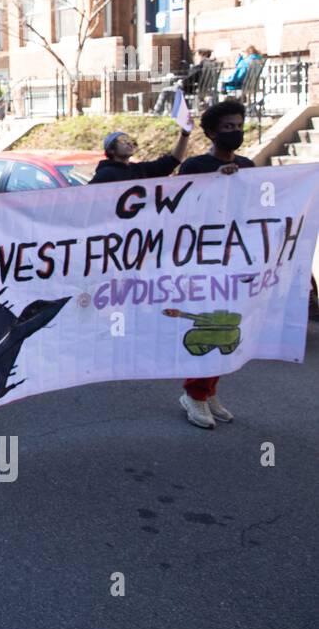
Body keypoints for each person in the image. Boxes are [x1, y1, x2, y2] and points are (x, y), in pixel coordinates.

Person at [173, 99, 252, 430]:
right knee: (210, 325)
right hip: (203, 260)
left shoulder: (248, 165)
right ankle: (195, 393)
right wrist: (218, 181)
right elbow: (181, 207)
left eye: (238, 126)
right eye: (227, 127)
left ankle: (208, 390)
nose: (234, 132)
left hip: (236, 258)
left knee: (231, 325)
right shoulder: (195, 167)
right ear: (211, 133)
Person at [89, 126, 190, 184]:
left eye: (130, 140)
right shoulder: (106, 174)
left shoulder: (139, 169)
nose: (129, 143)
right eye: (123, 141)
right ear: (111, 150)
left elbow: (173, 160)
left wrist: (185, 134)